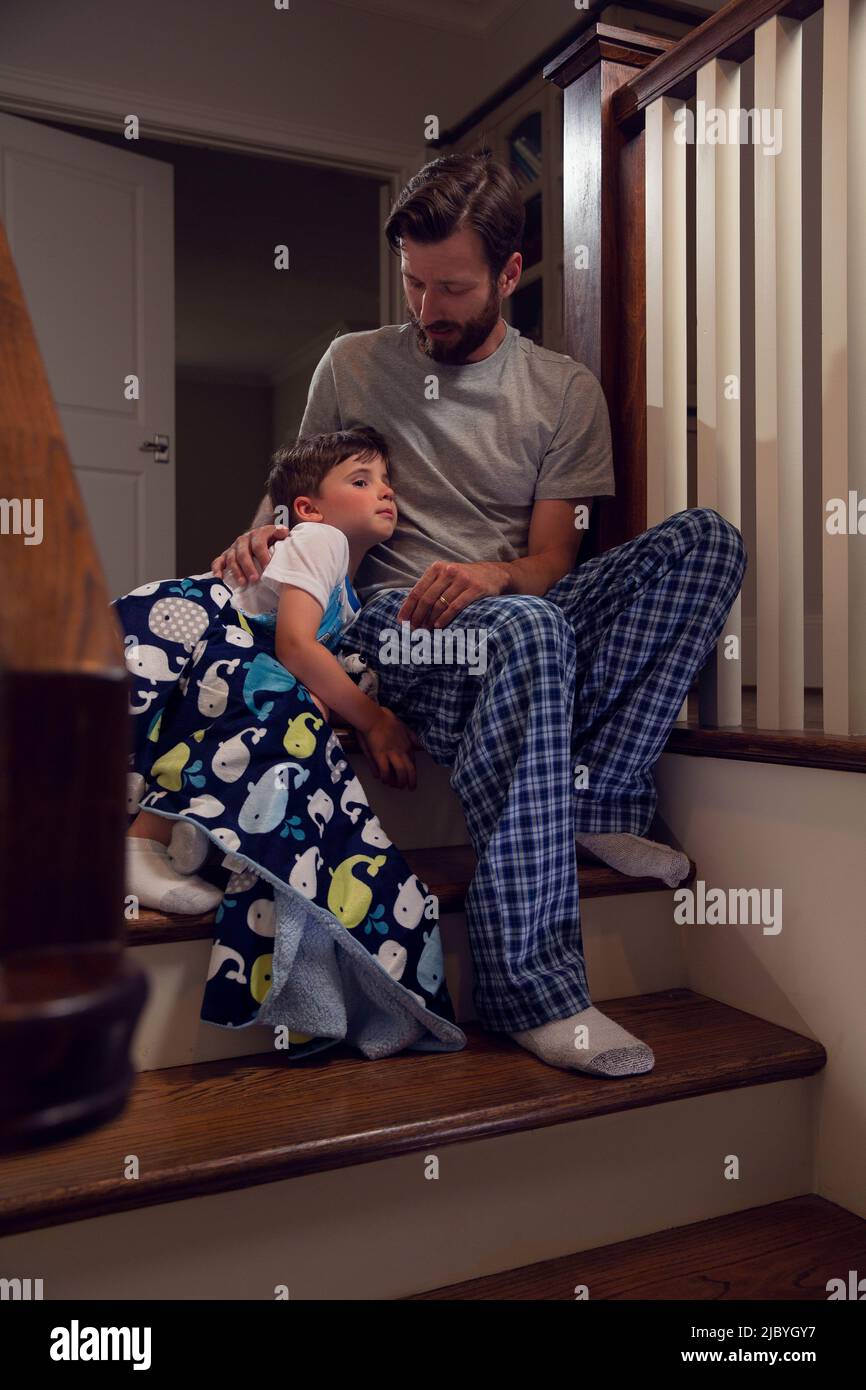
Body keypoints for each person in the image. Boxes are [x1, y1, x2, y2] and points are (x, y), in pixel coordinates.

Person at [212, 152, 747, 1079]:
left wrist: (495, 577)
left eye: (452, 287)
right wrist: (252, 550)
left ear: (509, 273)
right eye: (413, 284)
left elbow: (550, 564)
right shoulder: (350, 363)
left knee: (709, 542)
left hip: (511, 615)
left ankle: (599, 793)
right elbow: (291, 507)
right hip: (394, 622)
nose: (428, 310)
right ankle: (534, 987)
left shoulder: (565, 392)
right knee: (536, 638)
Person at [116, 426, 466, 1059]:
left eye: (387, 482)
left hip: (225, 654)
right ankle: (142, 839)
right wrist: (373, 719)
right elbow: (296, 647)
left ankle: (197, 829)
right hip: (187, 629)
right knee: (278, 693)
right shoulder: (321, 540)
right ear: (308, 508)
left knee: (283, 709)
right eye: (361, 481)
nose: (384, 492)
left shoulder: (346, 592)